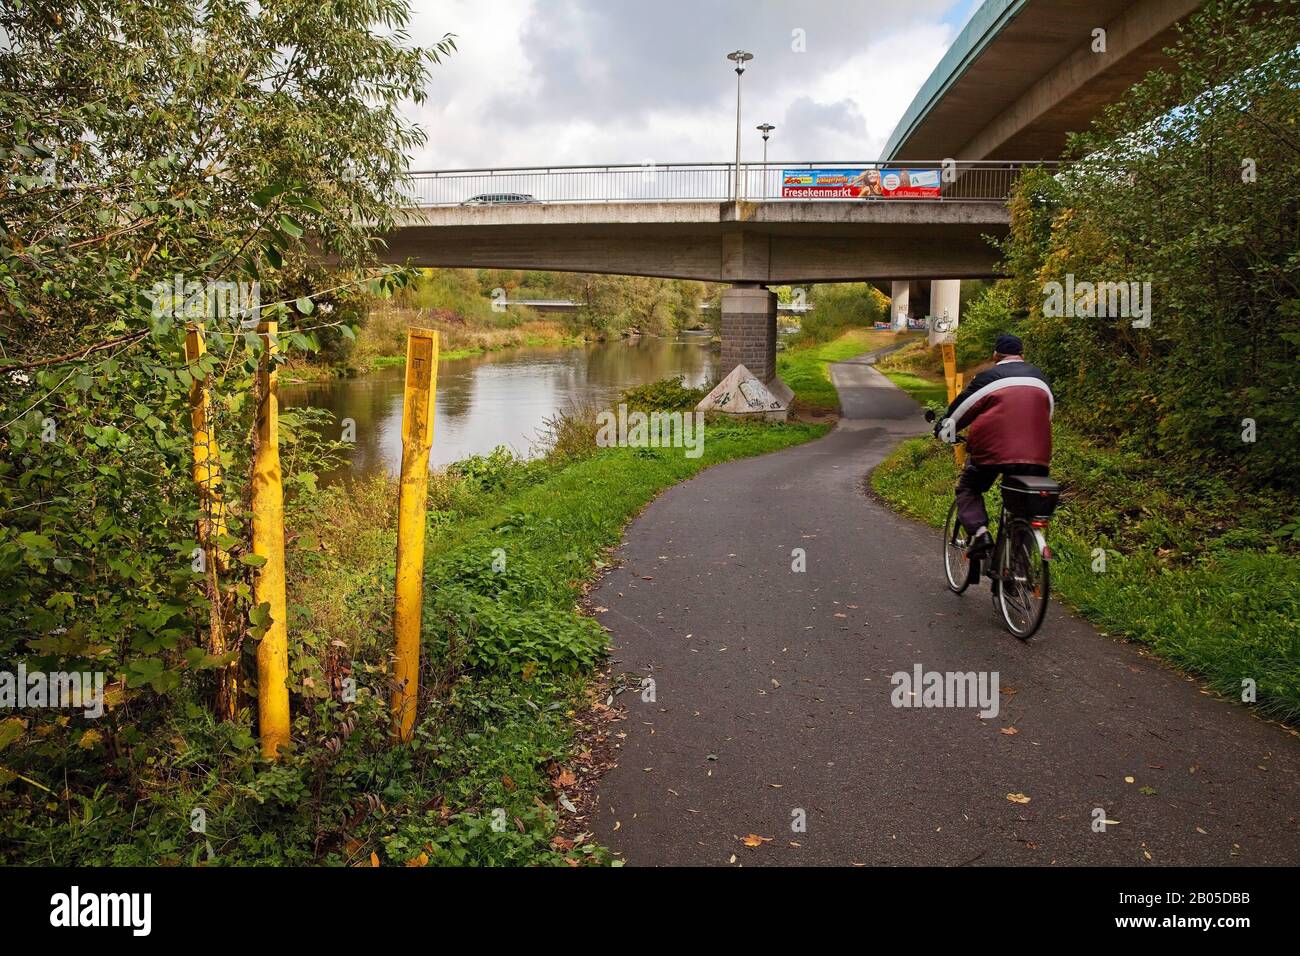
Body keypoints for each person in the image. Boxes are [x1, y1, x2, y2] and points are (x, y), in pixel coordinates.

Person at [935, 334, 1054, 557]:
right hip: (1037, 455)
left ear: (995, 355)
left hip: (992, 452)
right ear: (1022, 355)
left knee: (969, 487)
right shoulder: (1041, 379)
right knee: (1023, 509)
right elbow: (1047, 415)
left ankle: (980, 534)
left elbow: (959, 413)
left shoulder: (989, 377)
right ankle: (1016, 574)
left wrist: (943, 431)